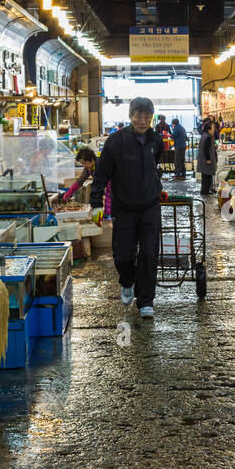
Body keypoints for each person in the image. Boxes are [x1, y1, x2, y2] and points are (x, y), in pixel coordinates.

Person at [90, 97, 164, 319]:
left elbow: (154, 166)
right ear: (130, 115)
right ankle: (127, 280)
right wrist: (96, 204)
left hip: (150, 207)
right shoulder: (115, 142)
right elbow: (101, 175)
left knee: (150, 254)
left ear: (151, 117)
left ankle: (146, 302)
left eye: (147, 116)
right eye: (138, 115)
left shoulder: (156, 141)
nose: (142, 120)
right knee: (123, 256)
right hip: (124, 209)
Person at [198, 120, 218, 196]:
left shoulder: (204, 135)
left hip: (204, 160)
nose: (214, 129)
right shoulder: (207, 137)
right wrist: (208, 159)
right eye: (213, 128)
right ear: (209, 128)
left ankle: (204, 191)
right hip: (206, 160)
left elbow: (207, 147)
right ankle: (205, 192)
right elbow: (206, 149)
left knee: (205, 176)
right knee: (208, 176)